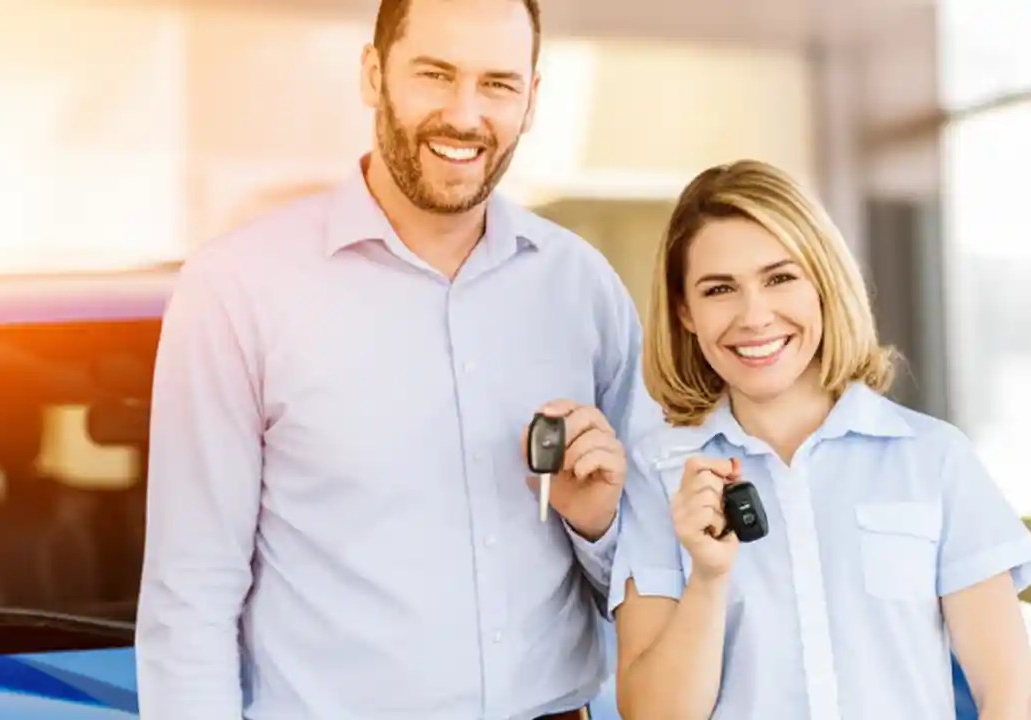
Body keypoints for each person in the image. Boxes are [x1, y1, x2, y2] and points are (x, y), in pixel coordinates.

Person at [135, 0, 656, 718]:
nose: (465, 115)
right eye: (435, 74)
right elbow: (189, 593)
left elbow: (653, 572)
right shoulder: (238, 288)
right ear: (373, 74)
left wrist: (597, 527)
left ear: (533, 100)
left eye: (498, 84)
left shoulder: (581, 287)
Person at [609, 159, 1031, 719]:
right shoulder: (658, 474)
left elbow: (1011, 694)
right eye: (720, 289)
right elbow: (651, 715)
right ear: (685, 312)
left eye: (779, 278)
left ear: (822, 282)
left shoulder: (933, 459)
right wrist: (708, 576)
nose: (754, 316)